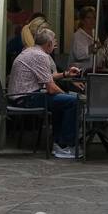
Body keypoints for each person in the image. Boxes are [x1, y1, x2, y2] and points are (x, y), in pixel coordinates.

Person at [7, 27, 82, 160]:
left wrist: (65, 74)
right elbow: (51, 88)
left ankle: (58, 143)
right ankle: (64, 145)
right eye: (54, 42)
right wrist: (67, 95)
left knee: (63, 102)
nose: (55, 45)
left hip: (19, 97)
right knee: (73, 101)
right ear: (48, 44)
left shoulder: (30, 51)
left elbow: (48, 77)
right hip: (26, 98)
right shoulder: (41, 56)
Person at [69, 6, 98, 72]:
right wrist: (92, 48)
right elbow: (79, 55)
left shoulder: (95, 33)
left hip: (93, 70)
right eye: (88, 18)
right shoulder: (77, 36)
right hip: (79, 73)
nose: (92, 20)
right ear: (82, 20)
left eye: (94, 18)